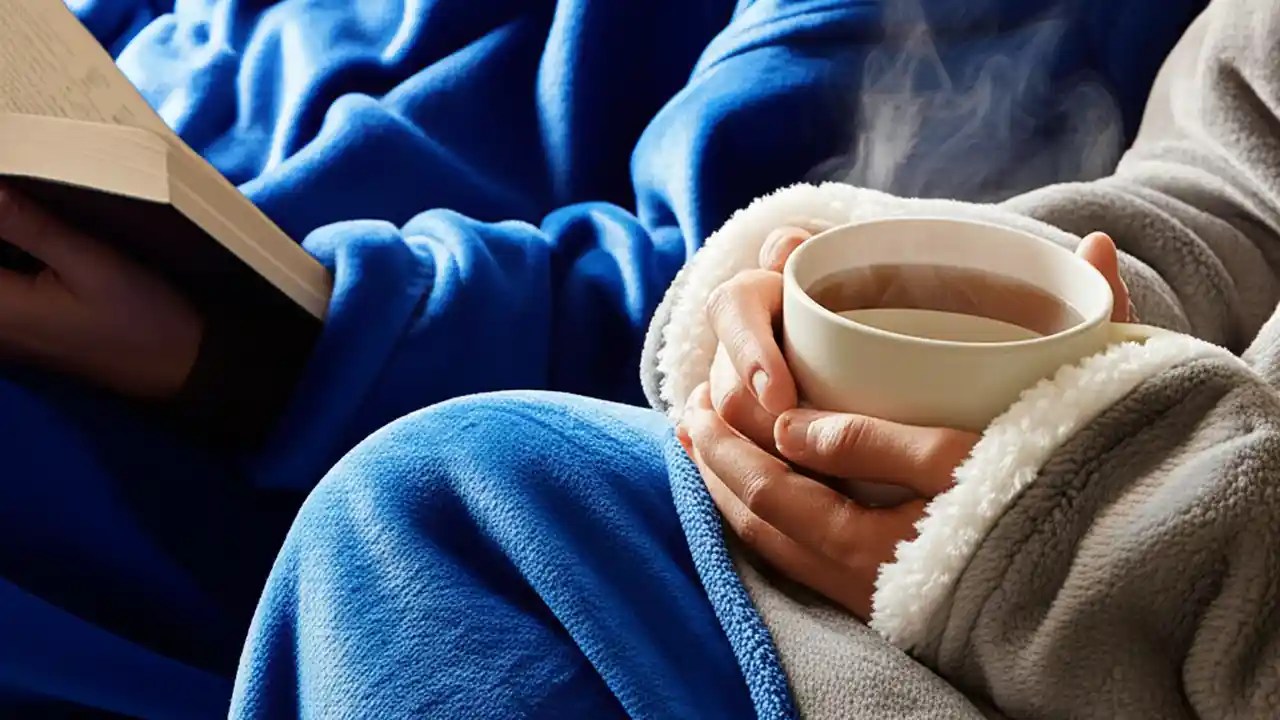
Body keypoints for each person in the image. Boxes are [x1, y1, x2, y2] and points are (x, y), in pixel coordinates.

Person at [0, 0, 1207, 717]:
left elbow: (762, 268)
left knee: (444, 495)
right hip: (130, 340)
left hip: (279, 417)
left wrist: (250, 354)